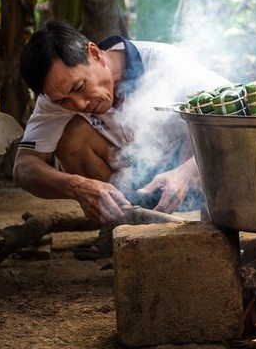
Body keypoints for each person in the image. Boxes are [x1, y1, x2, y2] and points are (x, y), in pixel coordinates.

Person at [13, 19, 230, 259]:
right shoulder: (57, 96)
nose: (79, 104)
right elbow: (24, 166)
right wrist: (77, 186)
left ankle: (215, 236)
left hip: (195, 179)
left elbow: (236, 125)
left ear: (94, 53)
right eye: (63, 101)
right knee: (72, 136)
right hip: (129, 183)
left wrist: (185, 174)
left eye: (79, 86)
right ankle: (124, 226)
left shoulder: (167, 64)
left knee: (208, 126)